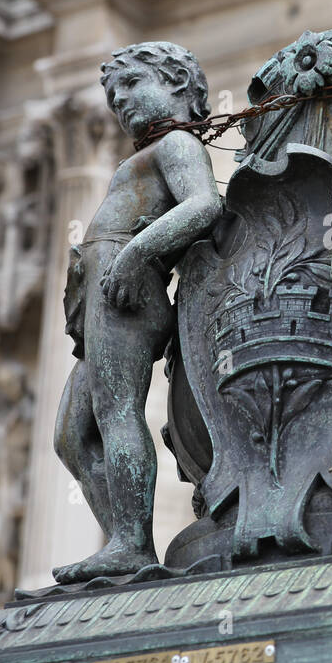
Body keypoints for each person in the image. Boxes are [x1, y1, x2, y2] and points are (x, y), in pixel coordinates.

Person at [51, 42, 222, 584]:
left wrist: (134, 254)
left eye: (131, 85)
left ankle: (131, 542)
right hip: (106, 287)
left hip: (127, 288)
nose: (118, 100)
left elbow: (204, 204)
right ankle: (124, 543)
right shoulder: (145, 153)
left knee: (117, 412)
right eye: (110, 93)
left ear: (177, 84)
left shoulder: (176, 143)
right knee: (71, 436)